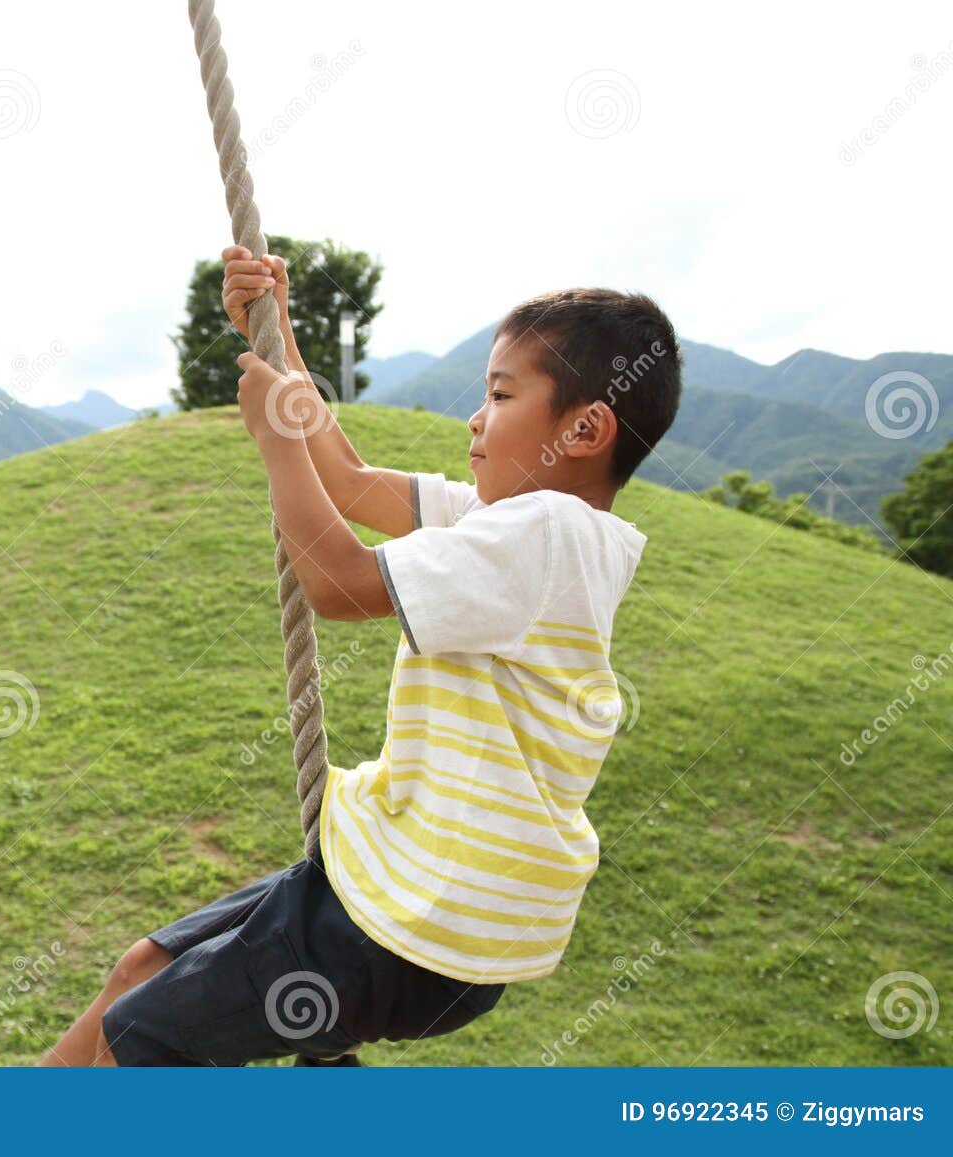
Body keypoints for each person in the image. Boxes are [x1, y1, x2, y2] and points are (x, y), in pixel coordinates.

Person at [40, 245, 682, 1066]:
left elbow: (340, 585)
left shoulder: (544, 533)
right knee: (140, 974)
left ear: (586, 428)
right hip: (388, 885)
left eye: (500, 394)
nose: (476, 418)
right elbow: (346, 479)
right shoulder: (514, 517)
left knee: (148, 1040)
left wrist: (274, 444)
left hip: (417, 923)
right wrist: (278, 336)